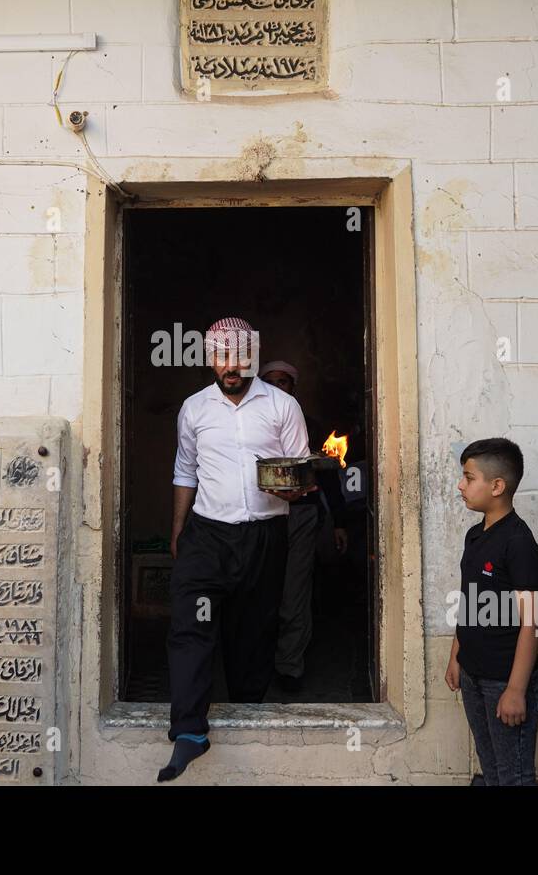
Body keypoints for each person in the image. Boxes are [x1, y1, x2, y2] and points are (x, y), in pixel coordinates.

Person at [159, 318, 311, 782]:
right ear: (209, 358)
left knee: (252, 631)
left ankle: (248, 711)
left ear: (254, 358)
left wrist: (293, 490)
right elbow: (185, 469)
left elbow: (301, 470)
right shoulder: (194, 409)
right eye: (223, 357)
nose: (232, 366)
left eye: (241, 358)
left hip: (264, 536)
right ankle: (189, 731)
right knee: (191, 621)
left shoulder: (282, 405)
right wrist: (178, 528)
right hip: (207, 535)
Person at [444, 439, 538, 785]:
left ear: (497, 486)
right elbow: (469, 602)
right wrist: (456, 656)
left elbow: (531, 622)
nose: (461, 485)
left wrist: (516, 689)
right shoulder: (475, 535)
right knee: (492, 771)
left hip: (505, 680)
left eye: (468, 477)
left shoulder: (519, 544)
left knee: (514, 776)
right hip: (474, 674)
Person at [259, 359, 348, 693]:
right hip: (261, 514)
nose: (277, 387)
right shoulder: (250, 422)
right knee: (260, 588)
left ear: (293, 387)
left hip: (301, 515)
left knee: (294, 591)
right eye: (270, 381)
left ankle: (289, 666)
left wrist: (338, 522)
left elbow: (330, 478)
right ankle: (255, 662)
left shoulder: (309, 424)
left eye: (283, 381)